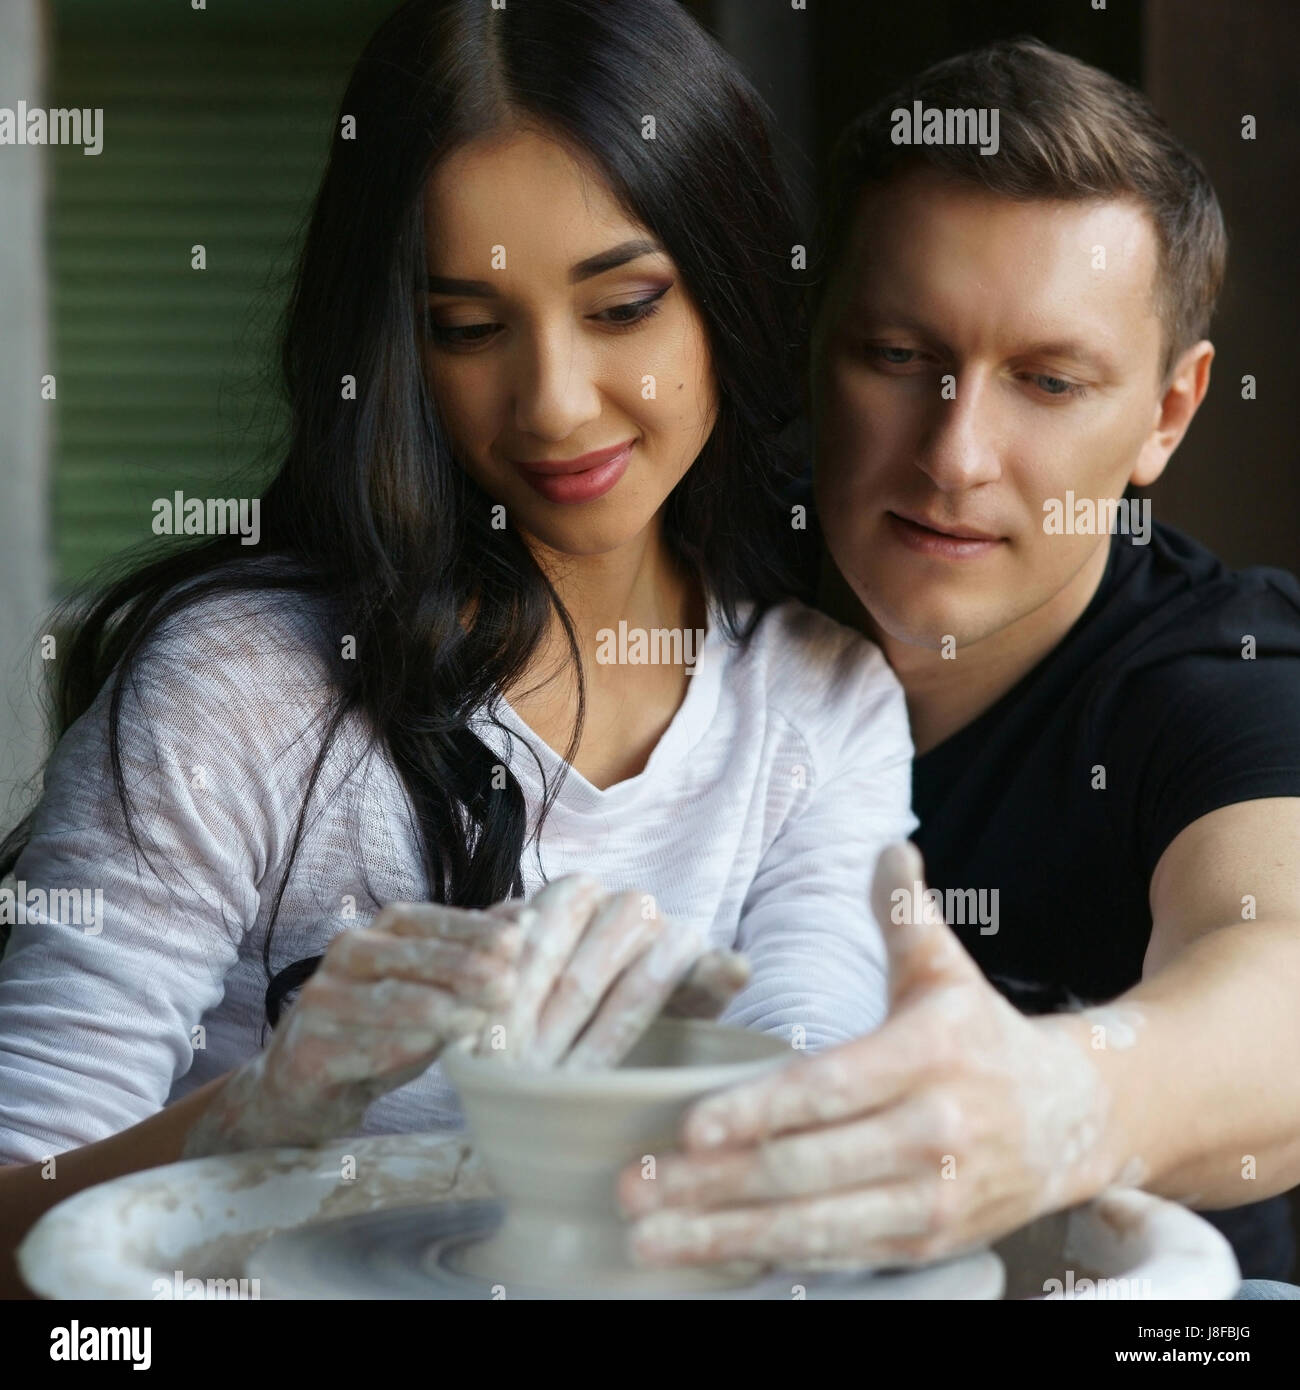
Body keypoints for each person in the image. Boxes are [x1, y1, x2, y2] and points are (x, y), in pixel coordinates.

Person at [0, 0, 915, 1294]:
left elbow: (804, 1078)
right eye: (469, 326)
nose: (552, 401)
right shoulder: (238, 693)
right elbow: (13, 1214)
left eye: (622, 306)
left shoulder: (818, 704)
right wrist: (256, 1116)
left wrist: (785, 1111)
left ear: (730, 281)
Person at [618, 38, 1300, 1296]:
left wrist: (1049, 1102)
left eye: (1046, 380)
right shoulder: (661, 579)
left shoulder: (1224, 671)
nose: (954, 453)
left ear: (1165, 414)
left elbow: (1283, 989)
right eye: (893, 356)